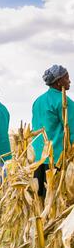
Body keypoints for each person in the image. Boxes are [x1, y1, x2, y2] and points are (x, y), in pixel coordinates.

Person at [32, 65, 74, 197]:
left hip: (39, 158)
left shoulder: (38, 101)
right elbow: (72, 131)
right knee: (57, 198)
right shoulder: (64, 101)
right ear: (58, 81)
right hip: (57, 159)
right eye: (67, 78)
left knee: (42, 198)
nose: (69, 81)